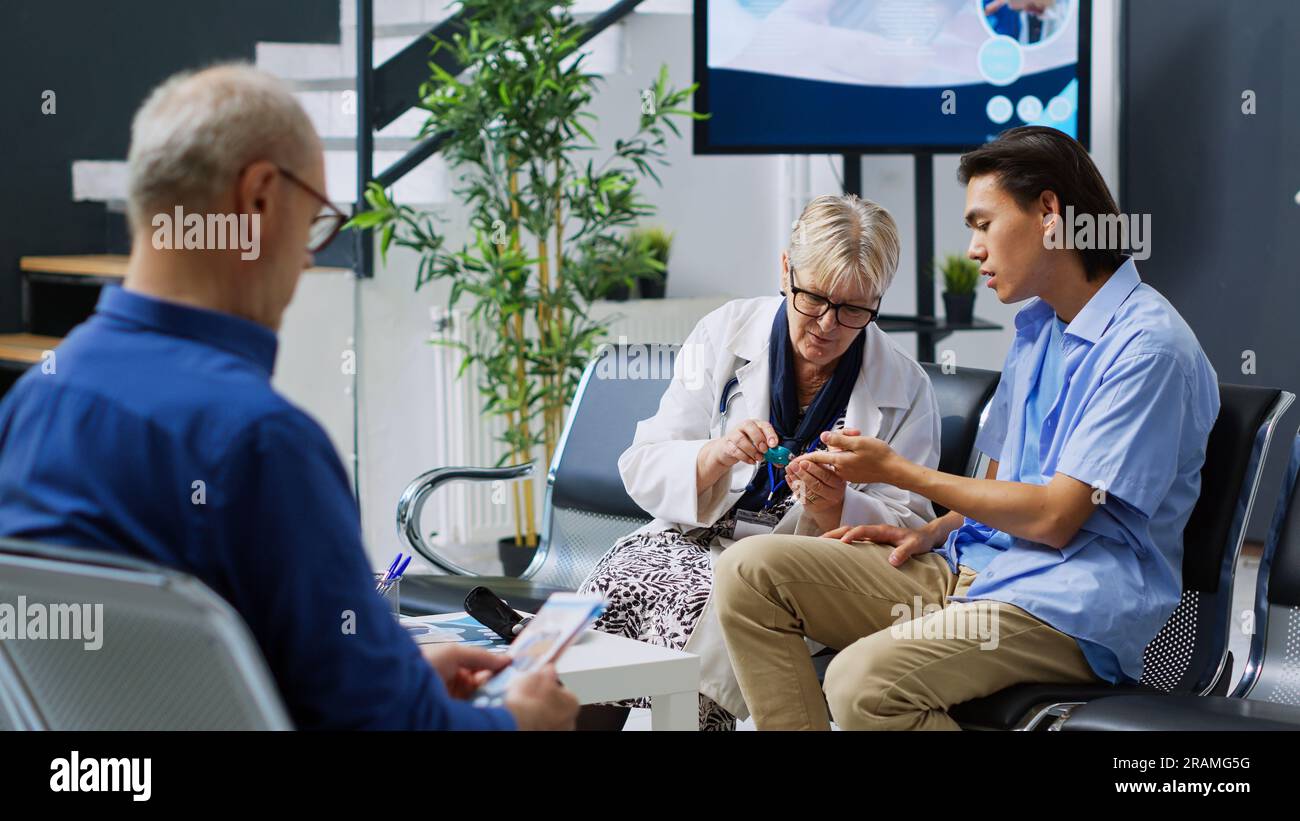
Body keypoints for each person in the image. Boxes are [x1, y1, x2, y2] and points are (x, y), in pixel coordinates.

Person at [0, 64, 577, 731]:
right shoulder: (257, 442)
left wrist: (394, 676)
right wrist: (518, 724)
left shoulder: (38, 402)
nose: (307, 260)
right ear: (259, 199)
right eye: (313, 222)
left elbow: (167, 679)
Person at [715, 125, 1219, 730]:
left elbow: (1055, 517)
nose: (973, 249)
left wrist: (898, 472)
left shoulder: (1147, 351)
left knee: (862, 683)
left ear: (1050, 213)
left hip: (1063, 609)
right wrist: (936, 531)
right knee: (750, 575)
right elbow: (1011, 481)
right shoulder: (1040, 329)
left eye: (983, 224)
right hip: (975, 569)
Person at [577, 194, 942, 730]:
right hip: (691, 535)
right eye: (813, 298)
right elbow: (645, 461)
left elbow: (911, 526)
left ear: (878, 301)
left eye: (854, 309)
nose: (827, 325)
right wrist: (713, 455)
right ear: (786, 269)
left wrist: (840, 504)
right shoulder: (725, 332)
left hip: (797, 565)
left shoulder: (905, 387)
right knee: (617, 585)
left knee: (716, 598)